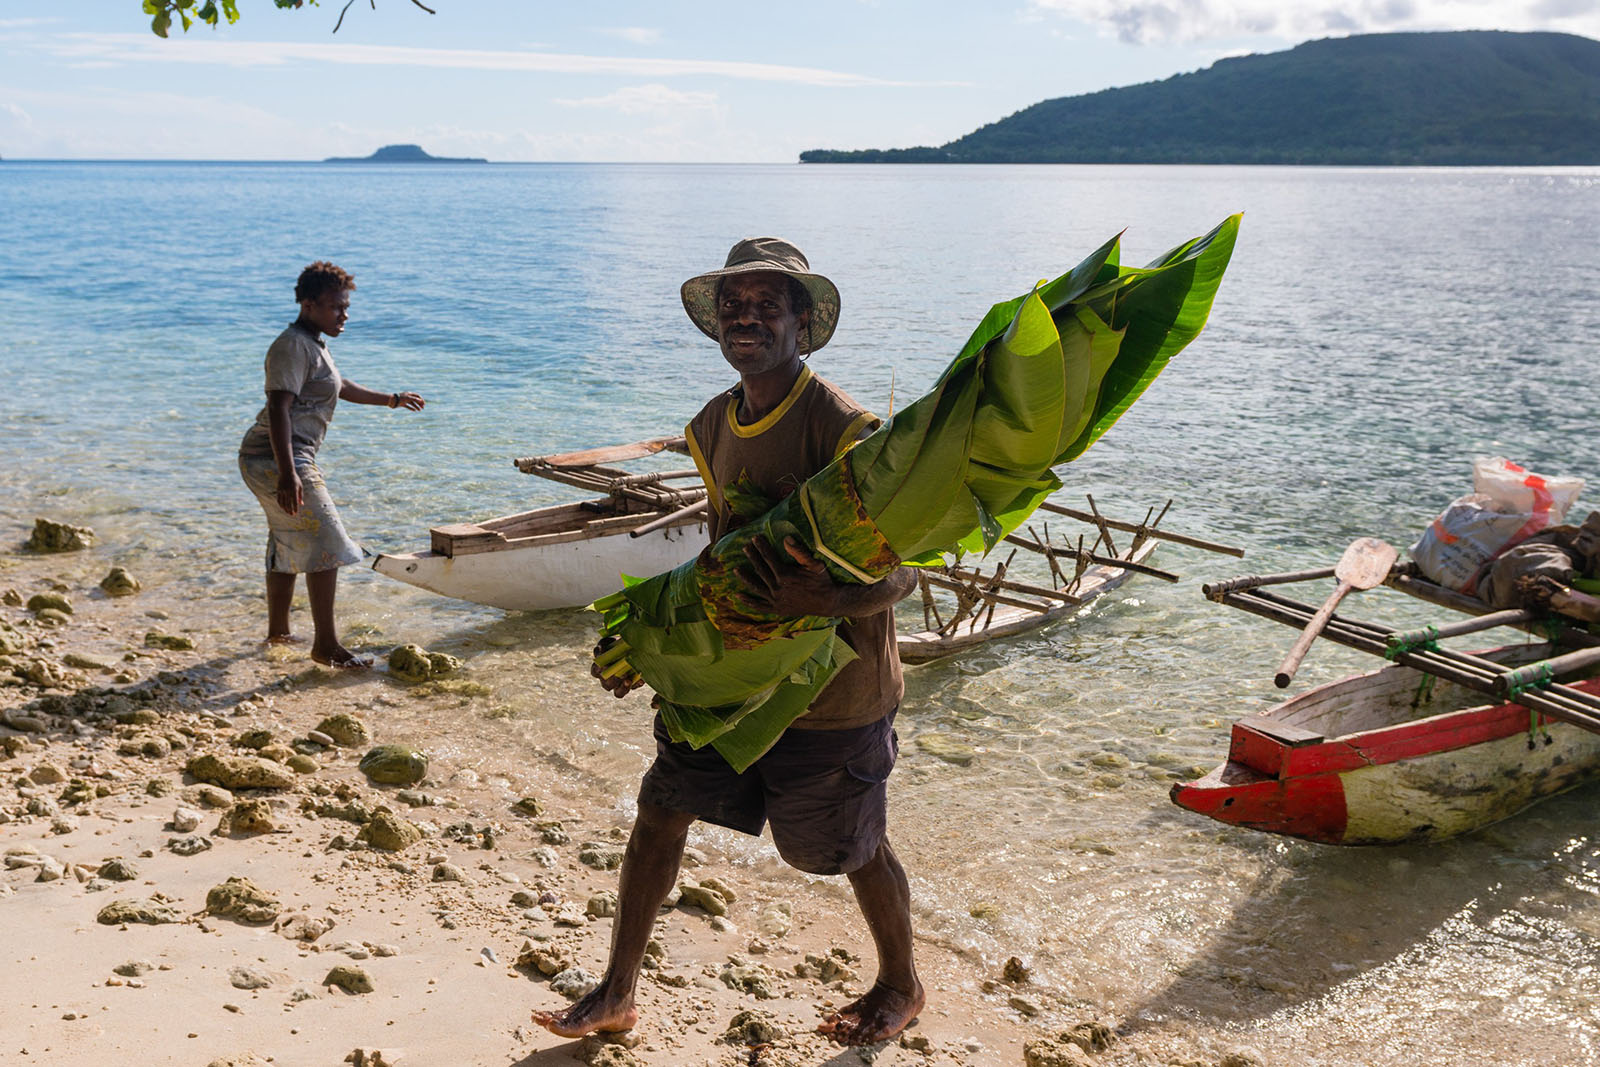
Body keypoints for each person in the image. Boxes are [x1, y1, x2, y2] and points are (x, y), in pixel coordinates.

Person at [533, 238, 923, 1046]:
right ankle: (616, 989)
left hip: (835, 694)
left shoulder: (850, 431)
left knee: (847, 848)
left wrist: (827, 594)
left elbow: (904, 577)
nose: (745, 318)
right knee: (660, 808)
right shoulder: (710, 425)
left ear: (803, 323)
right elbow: (718, 553)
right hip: (730, 680)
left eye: (766, 305)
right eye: (732, 306)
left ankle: (901, 982)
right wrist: (653, 647)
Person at [237, 260, 424, 669]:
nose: (344, 315)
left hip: (276, 456)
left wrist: (391, 399)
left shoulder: (314, 343)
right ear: (307, 304)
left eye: (346, 306)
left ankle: (279, 632)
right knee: (326, 544)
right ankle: (326, 646)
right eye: (336, 307)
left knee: (287, 540)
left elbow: (341, 387)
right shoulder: (291, 345)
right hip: (276, 456)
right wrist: (288, 474)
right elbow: (279, 408)